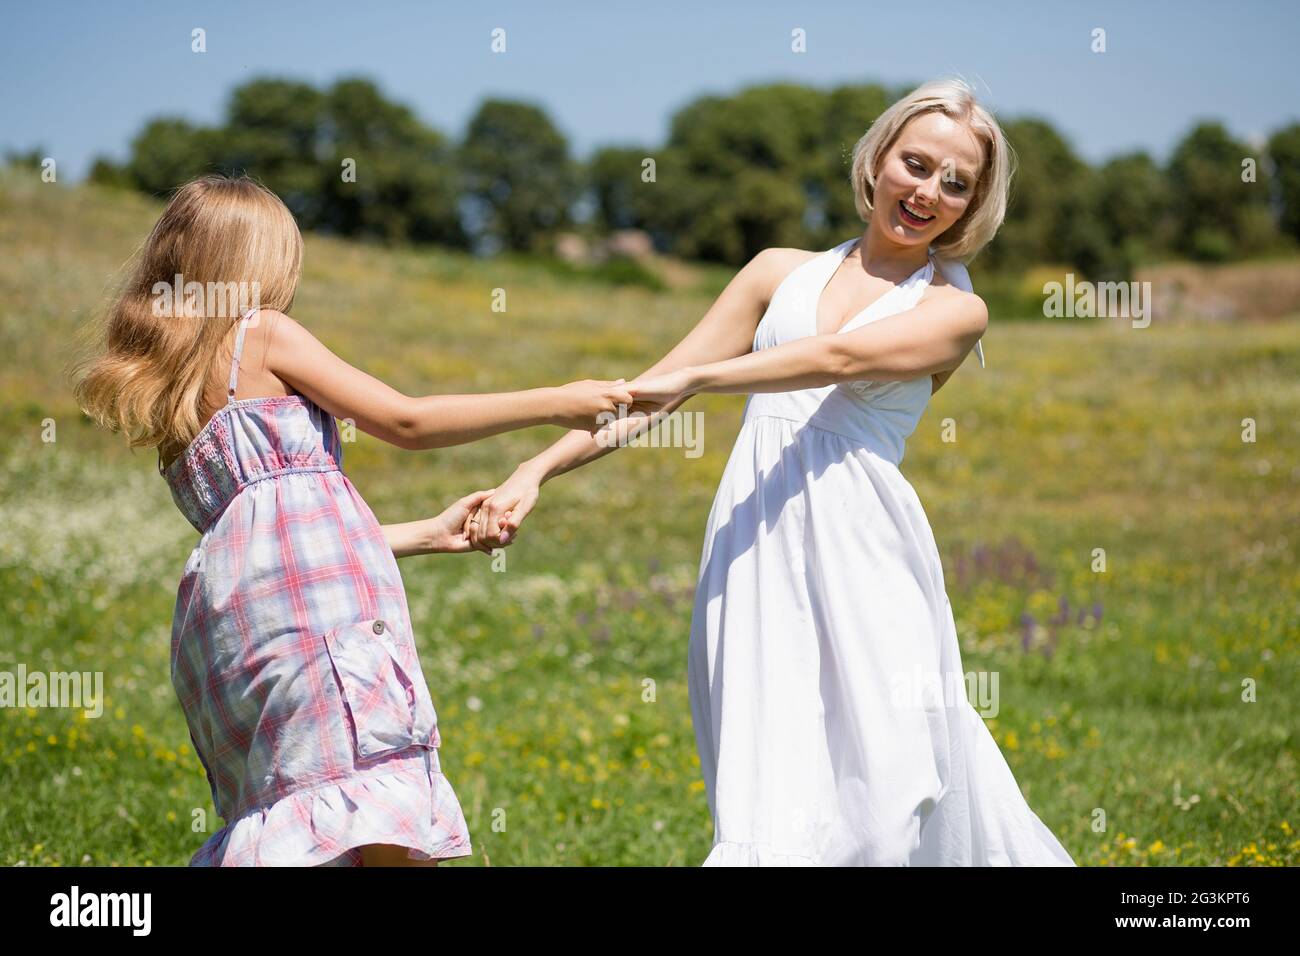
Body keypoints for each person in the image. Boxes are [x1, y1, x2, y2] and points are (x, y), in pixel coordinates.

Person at [465, 78, 1075, 865]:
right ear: (877, 159)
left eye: (956, 183)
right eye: (915, 165)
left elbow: (836, 358)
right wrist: (534, 468)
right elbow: (647, 396)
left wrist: (700, 381)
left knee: (892, 788)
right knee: (772, 783)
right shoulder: (774, 271)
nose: (927, 192)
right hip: (755, 541)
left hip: (867, 549)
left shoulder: (957, 311)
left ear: (973, 205)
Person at [72, 174, 631, 866]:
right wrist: (557, 400)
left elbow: (270, 547)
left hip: (229, 638)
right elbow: (407, 420)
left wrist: (427, 532)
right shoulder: (261, 334)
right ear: (256, 262)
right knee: (375, 813)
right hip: (319, 635)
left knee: (305, 821)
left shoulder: (177, 388)